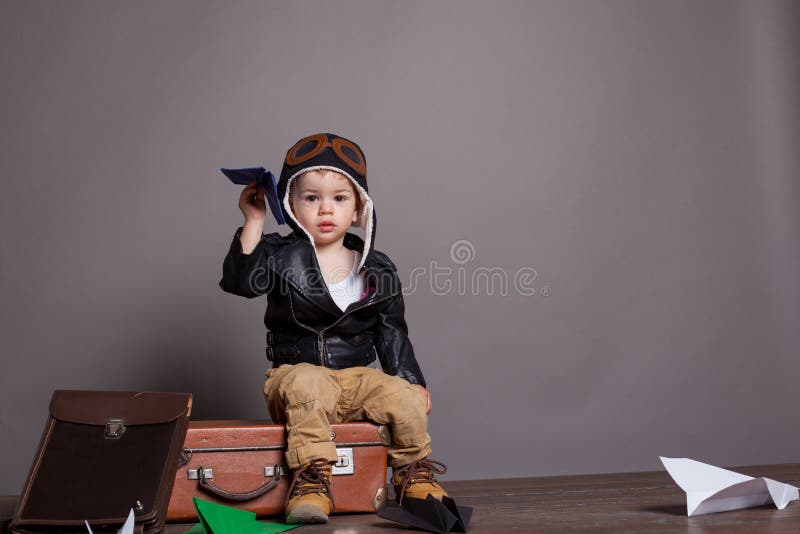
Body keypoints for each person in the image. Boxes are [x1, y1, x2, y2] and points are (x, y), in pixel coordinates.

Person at [220, 133, 448, 524]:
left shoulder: (376, 266)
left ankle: (413, 476)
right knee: (306, 384)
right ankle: (312, 482)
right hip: (296, 377)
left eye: (339, 198)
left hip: (356, 379)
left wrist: (411, 380)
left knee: (403, 396)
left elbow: (392, 330)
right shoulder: (277, 254)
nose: (325, 209)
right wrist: (254, 221)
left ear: (360, 208)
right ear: (290, 204)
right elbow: (241, 283)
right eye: (311, 198)